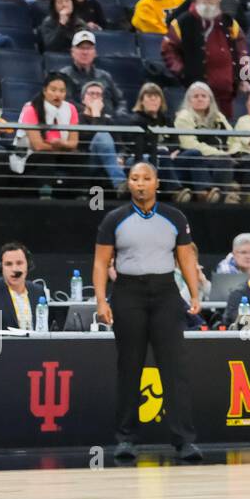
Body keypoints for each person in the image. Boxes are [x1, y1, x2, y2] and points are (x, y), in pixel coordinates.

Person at [94, 161, 201, 464]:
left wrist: (194, 294)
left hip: (166, 292)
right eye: (134, 178)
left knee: (174, 368)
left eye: (146, 178)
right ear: (128, 183)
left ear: (157, 182)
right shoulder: (114, 218)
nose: (140, 184)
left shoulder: (174, 217)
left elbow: (185, 258)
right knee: (130, 367)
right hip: (128, 291)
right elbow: (101, 263)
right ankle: (126, 438)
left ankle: (184, 441)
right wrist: (102, 301)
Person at [160, 0, 248, 119]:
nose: (208, 0)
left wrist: (246, 78)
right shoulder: (183, 21)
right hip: (197, 93)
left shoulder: (229, 22)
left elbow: (243, 51)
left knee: (224, 130)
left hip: (226, 92)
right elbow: (167, 49)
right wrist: (182, 72)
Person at [172, 80, 244, 204]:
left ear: (210, 100)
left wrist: (234, 151)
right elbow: (189, 144)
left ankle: (249, 196)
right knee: (224, 161)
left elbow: (234, 137)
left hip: (224, 154)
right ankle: (220, 197)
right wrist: (220, 153)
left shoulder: (218, 116)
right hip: (198, 157)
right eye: (196, 96)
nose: (200, 99)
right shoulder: (184, 116)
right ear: (189, 100)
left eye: (203, 96)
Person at [9, 72, 81, 190]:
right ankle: (45, 194)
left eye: (62, 91)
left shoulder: (71, 109)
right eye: (53, 90)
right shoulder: (31, 109)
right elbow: (37, 146)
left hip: (61, 151)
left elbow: (74, 142)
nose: (57, 94)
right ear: (44, 90)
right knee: (46, 157)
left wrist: (63, 145)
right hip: (31, 154)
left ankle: (81, 195)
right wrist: (60, 147)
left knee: (79, 157)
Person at [61, 30, 126, 117]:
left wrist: (118, 116)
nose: (85, 52)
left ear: (94, 53)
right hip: (80, 123)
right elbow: (65, 103)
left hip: (109, 123)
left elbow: (120, 101)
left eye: (89, 48)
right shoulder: (64, 75)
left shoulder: (105, 76)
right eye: (81, 48)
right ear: (72, 52)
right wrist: (92, 112)